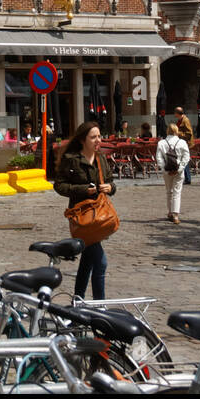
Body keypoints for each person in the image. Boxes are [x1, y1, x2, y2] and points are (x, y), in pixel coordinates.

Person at [53, 121, 116, 300]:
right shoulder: (71, 159)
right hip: (81, 218)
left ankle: (77, 301)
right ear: (82, 140)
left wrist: (109, 188)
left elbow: (112, 182)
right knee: (100, 262)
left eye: (99, 136)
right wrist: (82, 190)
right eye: (93, 137)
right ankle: (99, 306)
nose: (98, 140)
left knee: (87, 262)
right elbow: (59, 186)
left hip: (98, 217)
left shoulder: (100, 158)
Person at [158, 123, 190, 224]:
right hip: (178, 170)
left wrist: (165, 169)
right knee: (177, 191)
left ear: (167, 131)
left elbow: (159, 158)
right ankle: (175, 215)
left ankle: (170, 212)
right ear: (177, 131)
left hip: (167, 170)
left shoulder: (161, 143)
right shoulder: (182, 142)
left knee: (169, 191)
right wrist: (180, 168)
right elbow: (187, 157)